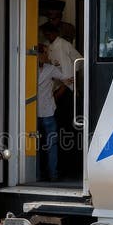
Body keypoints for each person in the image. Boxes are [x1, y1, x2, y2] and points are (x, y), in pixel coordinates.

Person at [36, 44, 72, 183]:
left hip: (35, 113)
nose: (47, 56)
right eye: (45, 53)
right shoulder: (50, 69)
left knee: (36, 146)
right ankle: (52, 175)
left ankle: (38, 175)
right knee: (51, 145)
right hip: (47, 112)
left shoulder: (27, 68)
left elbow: (65, 79)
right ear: (38, 54)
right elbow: (66, 79)